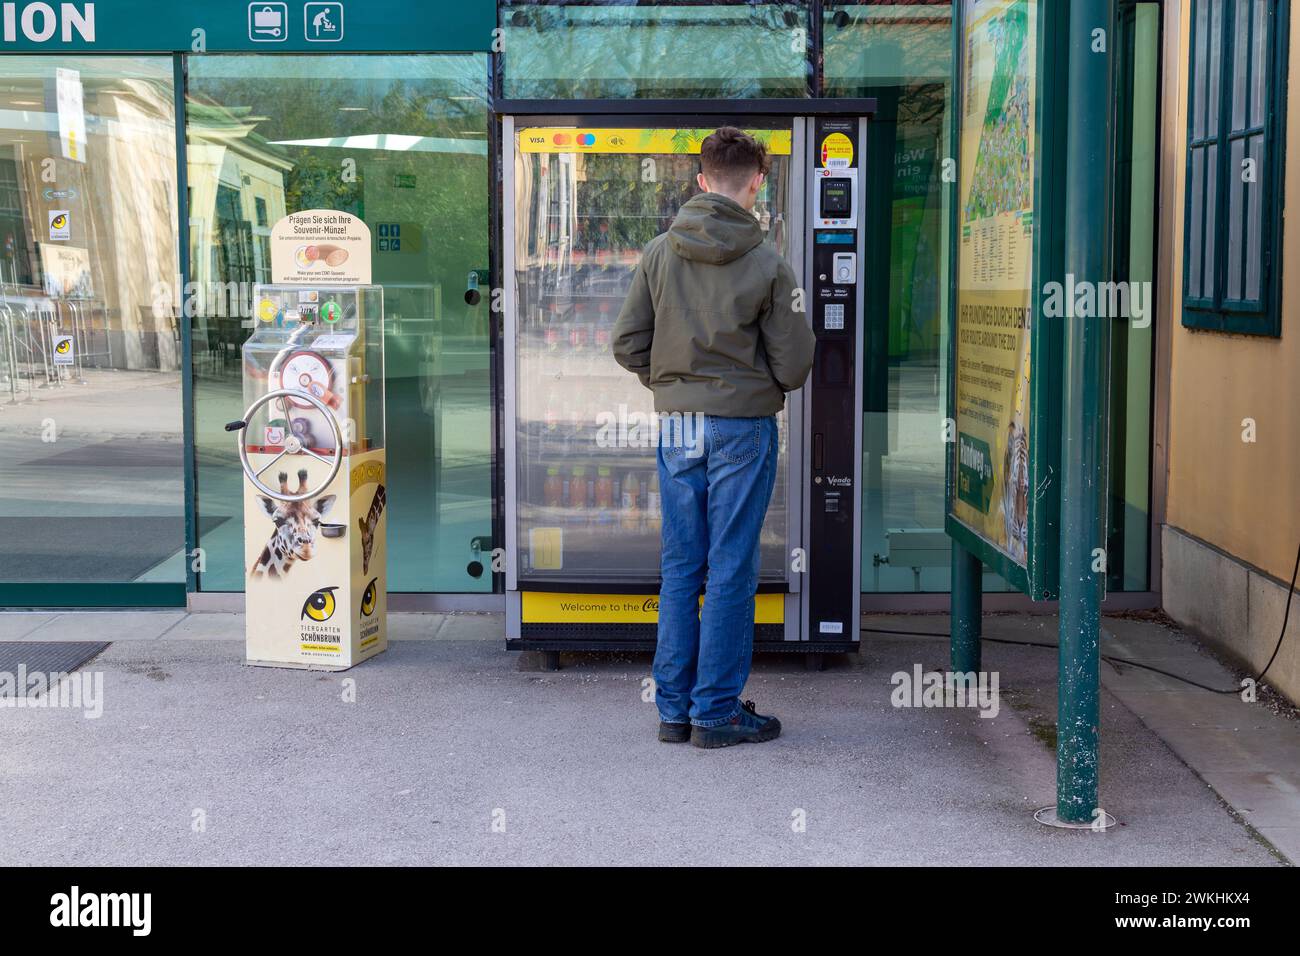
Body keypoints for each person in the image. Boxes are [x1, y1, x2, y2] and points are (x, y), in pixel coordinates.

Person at [613, 127, 815, 749]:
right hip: (743, 430)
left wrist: (672, 386)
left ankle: (673, 710)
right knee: (730, 567)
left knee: (682, 565)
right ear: (756, 182)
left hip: (678, 426)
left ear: (701, 181)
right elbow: (795, 366)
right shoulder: (770, 263)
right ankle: (717, 713)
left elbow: (627, 344)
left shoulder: (658, 254)